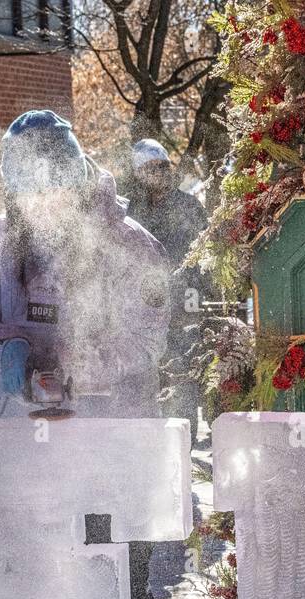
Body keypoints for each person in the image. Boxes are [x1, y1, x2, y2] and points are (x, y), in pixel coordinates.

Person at [0, 110, 171, 599]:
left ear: (75, 181)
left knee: (116, 593)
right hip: (28, 449)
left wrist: (77, 370)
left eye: (53, 190)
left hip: (109, 446)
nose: (43, 204)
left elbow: (149, 340)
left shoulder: (130, 245)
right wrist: (9, 357)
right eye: (30, 194)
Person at [122, 139, 210, 432]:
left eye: (164, 165)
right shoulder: (130, 211)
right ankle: (148, 434)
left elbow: (205, 254)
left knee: (183, 366)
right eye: (152, 167)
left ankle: (186, 434)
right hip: (144, 307)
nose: (160, 172)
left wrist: (202, 295)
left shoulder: (188, 206)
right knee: (148, 369)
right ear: (138, 173)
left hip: (185, 301)